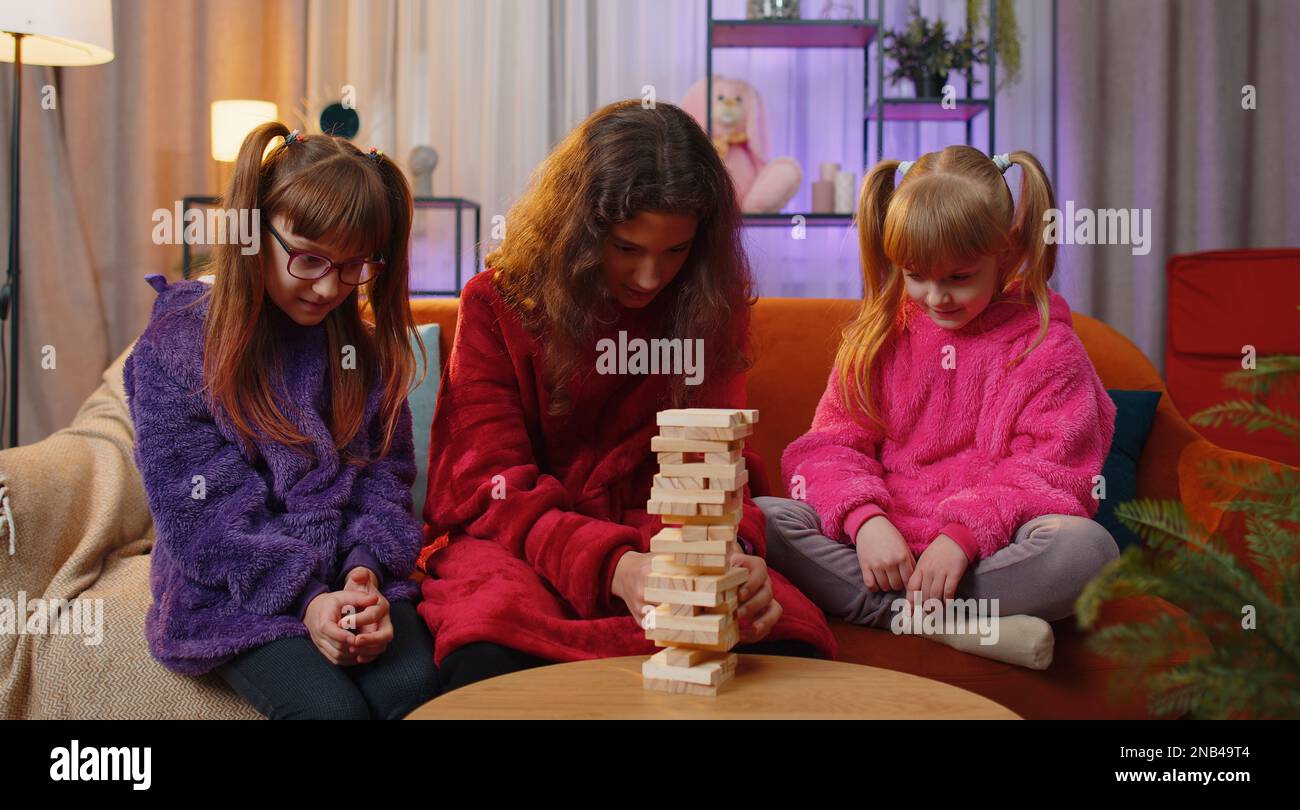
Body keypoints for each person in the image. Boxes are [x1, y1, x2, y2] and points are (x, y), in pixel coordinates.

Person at [417, 100, 837, 692]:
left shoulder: (710, 302)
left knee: (789, 649)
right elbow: (489, 486)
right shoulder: (497, 303)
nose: (649, 277)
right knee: (489, 657)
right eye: (626, 248)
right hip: (527, 542)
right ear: (578, 230)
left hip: (665, 537)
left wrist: (734, 554)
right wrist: (614, 567)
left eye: (674, 252)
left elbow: (719, 467)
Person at [757, 146, 1119, 670]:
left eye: (959, 277)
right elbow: (828, 448)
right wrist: (864, 520)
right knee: (762, 520)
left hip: (983, 556)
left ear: (1008, 252)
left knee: (1088, 552)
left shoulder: (1048, 351)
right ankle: (954, 625)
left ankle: (901, 614)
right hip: (881, 554)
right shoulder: (878, 339)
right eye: (916, 275)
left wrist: (962, 536)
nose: (935, 297)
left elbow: (1052, 474)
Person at [125, 123, 439, 717]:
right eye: (308, 258)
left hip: (347, 572)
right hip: (234, 584)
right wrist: (307, 601)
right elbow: (206, 521)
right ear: (254, 231)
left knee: (413, 690)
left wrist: (363, 577)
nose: (328, 288)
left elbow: (383, 483)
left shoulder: (364, 353)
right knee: (330, 712)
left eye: (353, 268)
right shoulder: (177, 347)